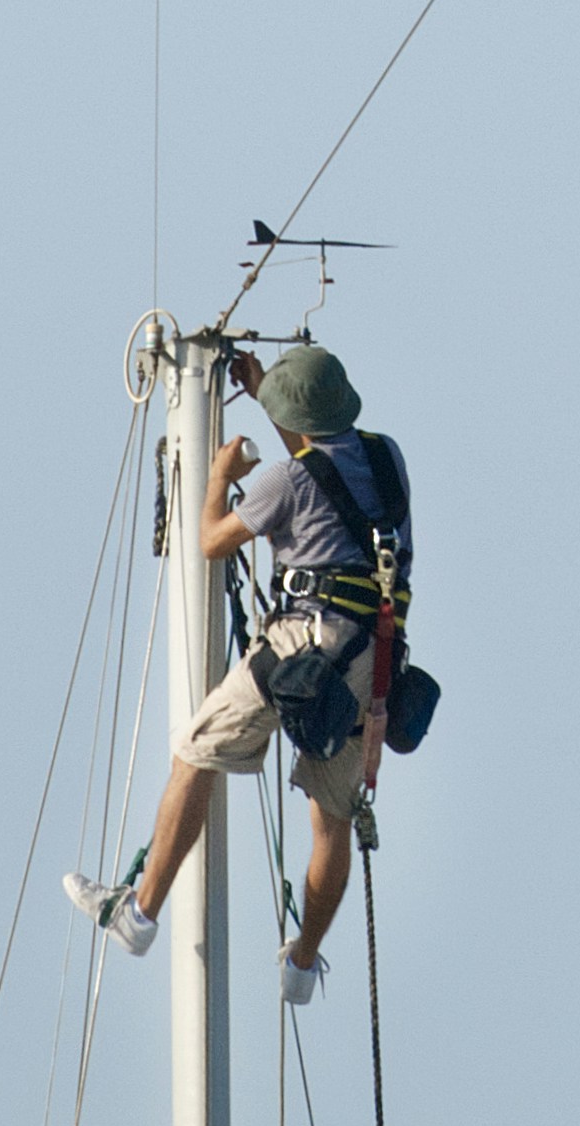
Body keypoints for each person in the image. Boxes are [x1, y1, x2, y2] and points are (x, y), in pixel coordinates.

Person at [67, 340, 411, 1004]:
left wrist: (221, 475)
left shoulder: (286, 481)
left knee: (195, 752)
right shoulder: (385, 455)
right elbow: (325, 472)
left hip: (301, 644)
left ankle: (138, 915)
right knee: (331, 819)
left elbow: (210, 541)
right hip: (372, 659)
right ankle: (303, 964)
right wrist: (266, 396)